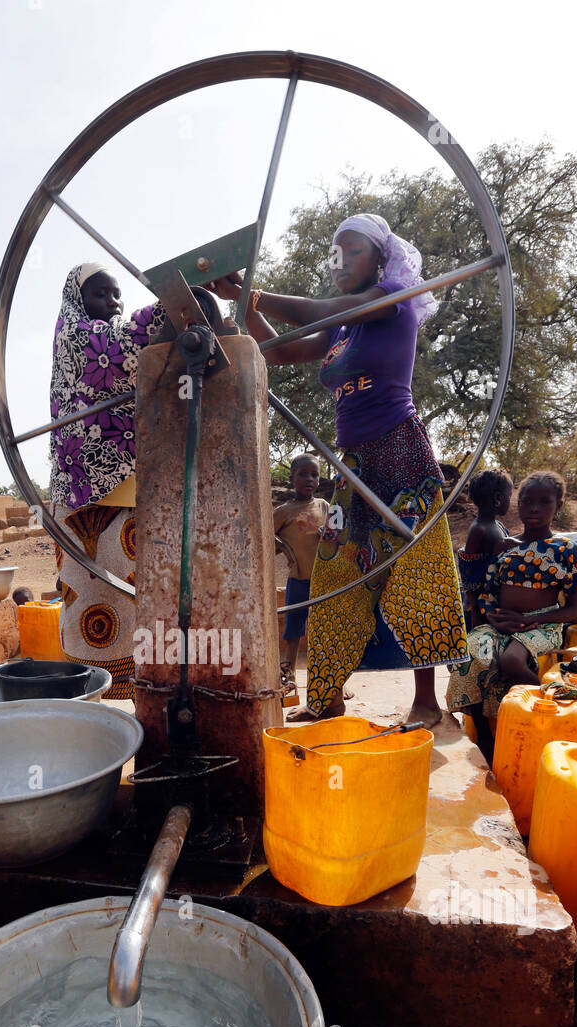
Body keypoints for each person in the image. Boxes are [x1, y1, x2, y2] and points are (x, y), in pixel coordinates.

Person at [210, 212, 467, 727]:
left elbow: (323, 309)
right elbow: (279, 350)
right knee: (334, 573)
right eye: (337, 253)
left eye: (354, 251)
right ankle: (326, 696)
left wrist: (253, 295)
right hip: (351, 465)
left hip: (399, 453)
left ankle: (426, 704)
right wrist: (240, 305)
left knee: (415, 572)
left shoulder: (391, 303)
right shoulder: (345, 331)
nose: (342, 262)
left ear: (380, 259)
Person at [49, 262, 164, 698]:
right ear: (80, 299)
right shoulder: (76, 338)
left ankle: (140, 690)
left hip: (129, 494)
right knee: (92, 592)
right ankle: (93, 694)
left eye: (118, 295)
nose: (114, 303)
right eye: (102, 295)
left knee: (134, 591)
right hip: (86, 500)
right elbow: (117, 350)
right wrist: (171, 306)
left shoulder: (112, 341)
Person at [446, 471, 577, 757]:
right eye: (527, 501)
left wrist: (528, 621)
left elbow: (574, 608)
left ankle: (555, 705)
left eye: (544, 502)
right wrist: (493, 617)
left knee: (511, 661)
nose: (534, 508)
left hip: (542, 625)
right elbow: (489, 590)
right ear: (517, 504)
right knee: (469, 654)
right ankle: (485, 738)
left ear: (558, 505)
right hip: (502, 624)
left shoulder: (566, 550)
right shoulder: (505, 546)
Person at [273, 455, 329, 693]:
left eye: (314, 475)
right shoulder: (283, 512)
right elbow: (267, 538)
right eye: (303, 474)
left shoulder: (324, 506)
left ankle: (332, 681)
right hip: (298, 579)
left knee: (324, 629)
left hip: (324, 581)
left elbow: (336, 537)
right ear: (292, 478)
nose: (309, 479)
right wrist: (285, 549)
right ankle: (291, 675)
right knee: (294, 629)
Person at [458, 469, 514, 628]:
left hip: (494, 599)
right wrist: (474, 610)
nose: (510, 501)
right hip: (479, 607)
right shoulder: (479, 529)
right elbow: (468, 572)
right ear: (498, 498)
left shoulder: (497, 525)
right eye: (509, 496)